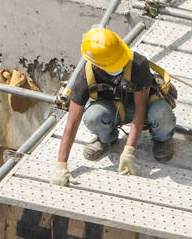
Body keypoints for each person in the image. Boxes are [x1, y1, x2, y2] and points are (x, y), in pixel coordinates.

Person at [50, 27, 176, 185]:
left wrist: (129, 150)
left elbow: (141, 109)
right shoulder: (85, 76)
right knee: (93, 116)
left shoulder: (137, 64)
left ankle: (162, 140)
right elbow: (72, 122)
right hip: (113, 111)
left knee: (161, 113)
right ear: (98, 65)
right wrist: (61, 166)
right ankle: (107, 139)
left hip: (143, 109)